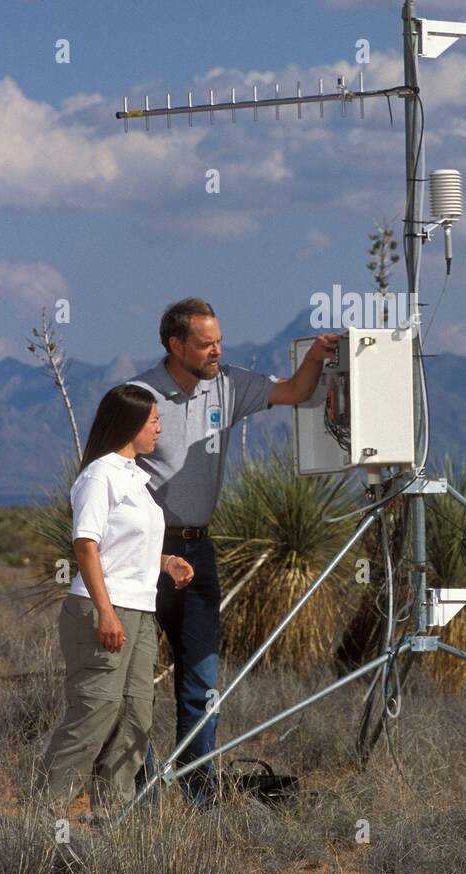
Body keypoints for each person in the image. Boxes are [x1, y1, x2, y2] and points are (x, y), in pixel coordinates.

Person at [131, 298, 335, 806]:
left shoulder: (229, 384)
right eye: (206, 343)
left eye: (219, 339)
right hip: (144, 555)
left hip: (199, 556)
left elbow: (293, 391)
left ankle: (197, 795)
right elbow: (106, 471)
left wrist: (316, 357)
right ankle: (140, 795)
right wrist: (147, 555)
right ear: (176, 346)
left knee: (200, 681)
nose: (218, 349)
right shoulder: (137, 397)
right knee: (132, 687)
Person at [43, 384, 193, 818]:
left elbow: (122, 545)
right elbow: (86, 546)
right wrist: (106, 611)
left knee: (134, 718)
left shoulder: (136, 479)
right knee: (95, 714)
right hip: (101, 610)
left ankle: (115, 819)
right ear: (129, 425)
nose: (159, 430)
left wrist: (165, 562)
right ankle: (43, 817)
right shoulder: (99, 475)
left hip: (141, 612)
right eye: (153, 422)